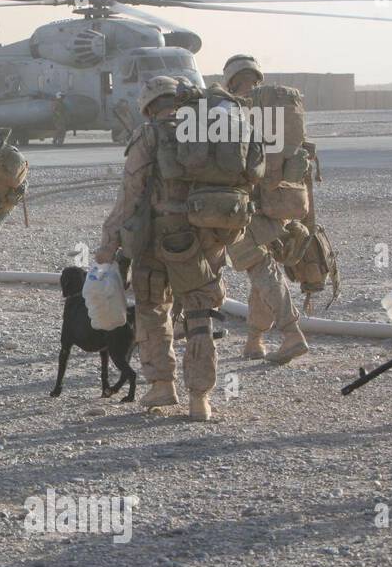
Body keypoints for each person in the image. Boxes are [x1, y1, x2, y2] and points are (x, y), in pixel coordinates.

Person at [95, 76, 260, 422]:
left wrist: (108, 245)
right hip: (210, 235)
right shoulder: (209, 130)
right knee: (201, 314)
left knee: (153, 307)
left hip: (161, 237)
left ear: (148, 106)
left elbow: (130, 196)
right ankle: (200, 398)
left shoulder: (150, 135)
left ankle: (161, 385)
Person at [220, 54, 310, 364]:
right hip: (278, 203)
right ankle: (255, 340)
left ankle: (292, 333)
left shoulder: (233, 110)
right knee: (261, 271)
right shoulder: (279, 106)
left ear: (231, 80)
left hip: (245, 207)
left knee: (260, 268)